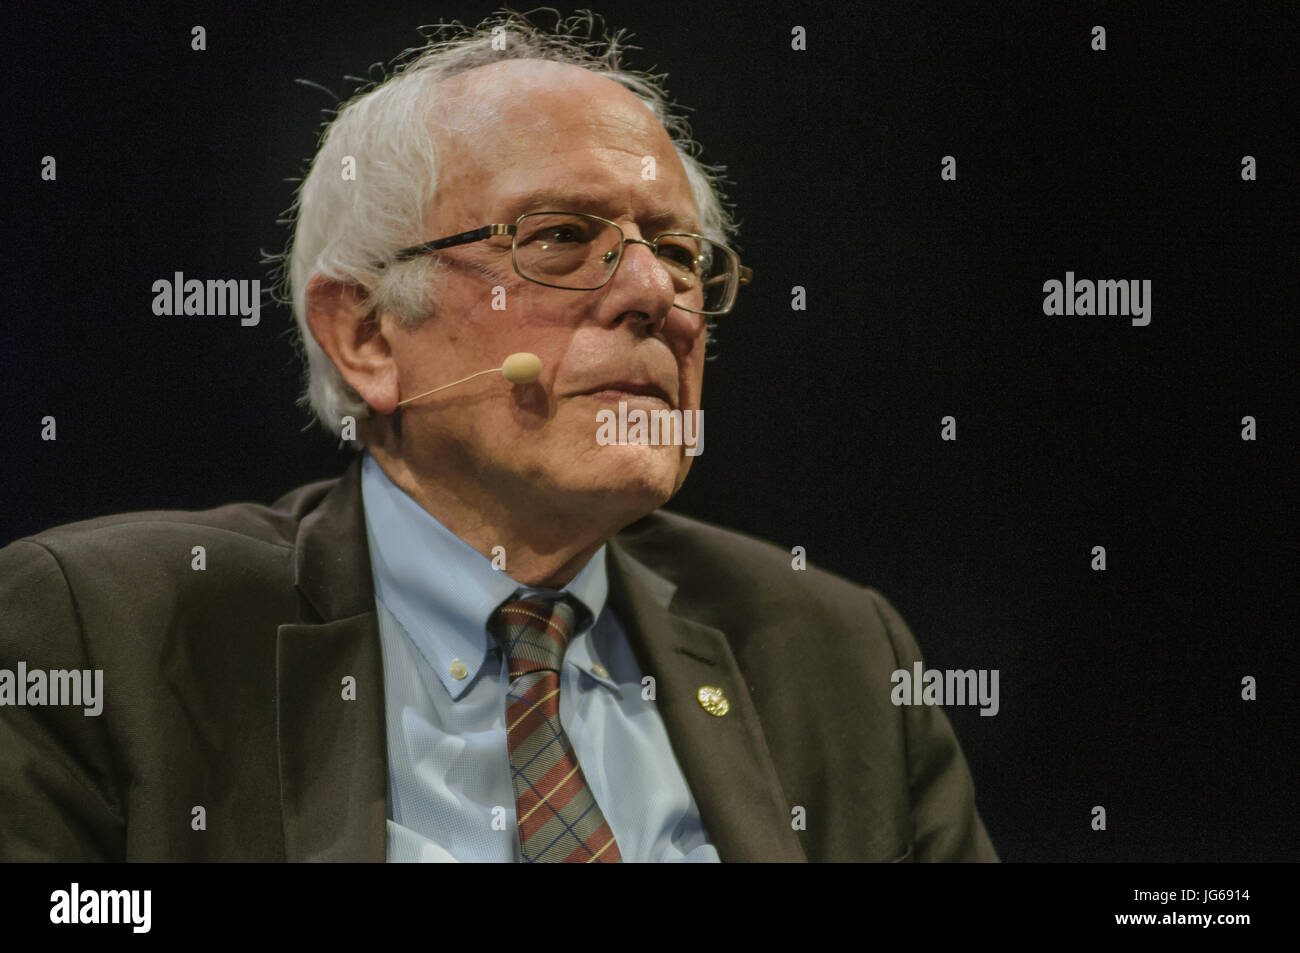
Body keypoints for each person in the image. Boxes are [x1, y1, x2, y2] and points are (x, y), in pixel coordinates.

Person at [0, 12, 997, 862]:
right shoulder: (102, 630)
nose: (658, 295)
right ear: (366, 333)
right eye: (560, 237)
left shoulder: (836, 651)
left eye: (680, 253)